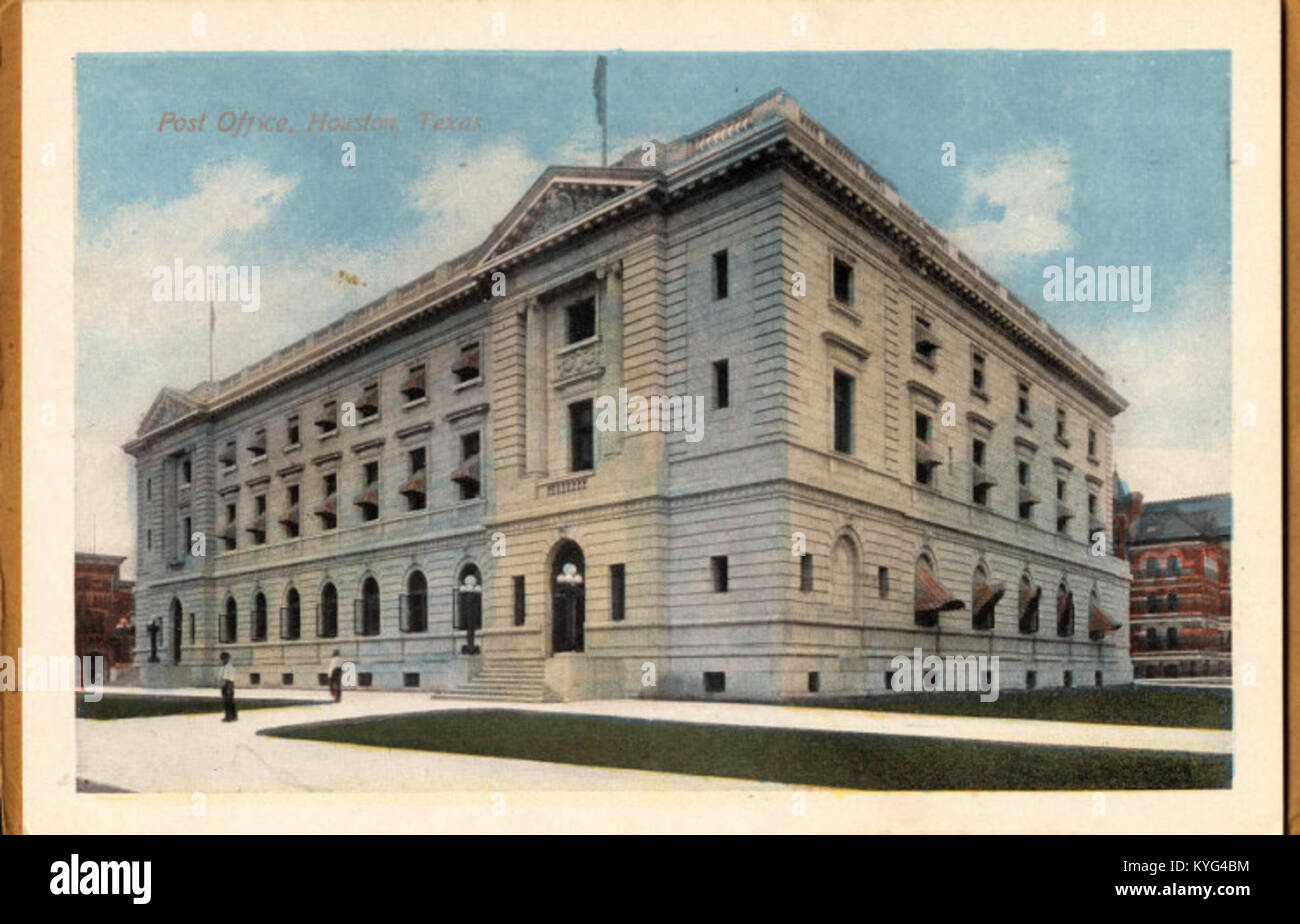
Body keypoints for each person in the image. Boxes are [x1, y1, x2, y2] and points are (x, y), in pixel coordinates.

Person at [218, 652, 237, 722]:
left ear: (227, 659)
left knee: (228, 702)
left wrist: (229, 687)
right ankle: (233, 715)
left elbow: (230, 678)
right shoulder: (223, 667)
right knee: (228, 701)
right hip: (224, 684)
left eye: (224, 659)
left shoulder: (230, 667)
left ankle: (229, 716)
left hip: (228, 684)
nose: (223, 660)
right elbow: (220, 676)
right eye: (222, 659)